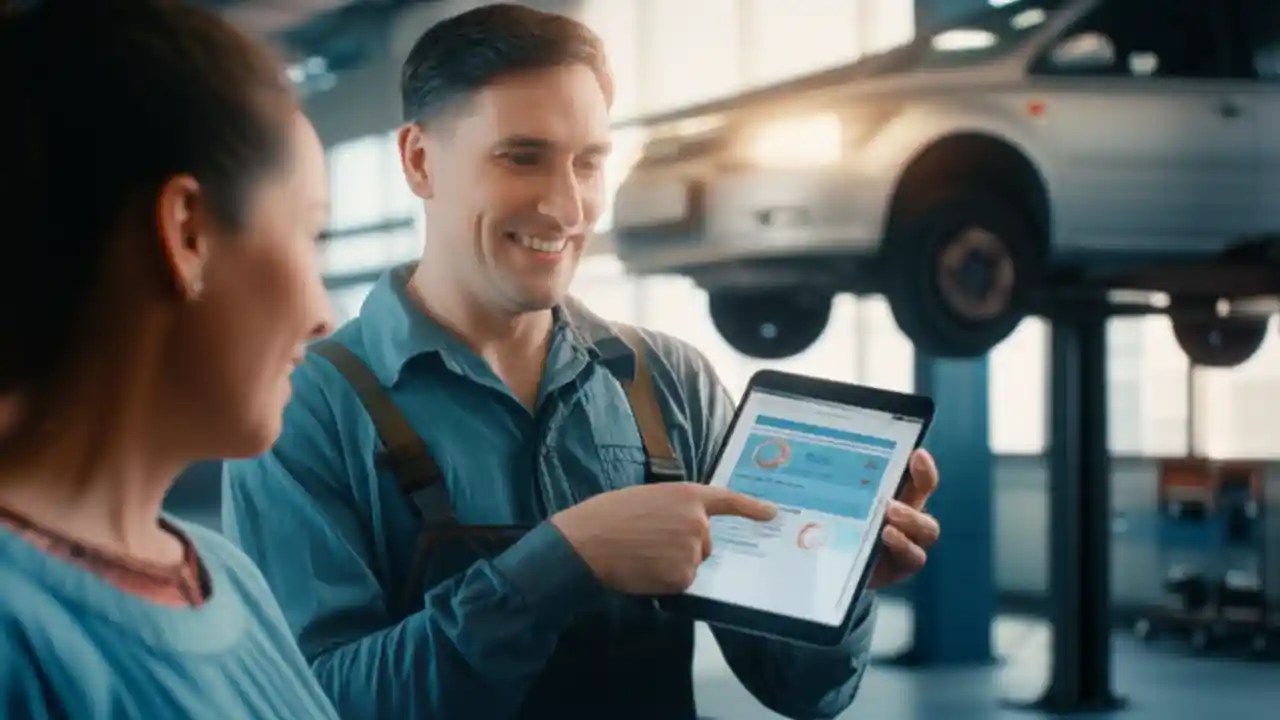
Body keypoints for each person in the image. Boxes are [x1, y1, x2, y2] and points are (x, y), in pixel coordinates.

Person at [223, 4, 943, 719]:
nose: (567, 207)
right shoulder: (305, 407)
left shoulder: (672, 385)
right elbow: (317, 703)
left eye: (589, 163)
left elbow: (801, 690)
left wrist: (839, 582)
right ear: (418, 160)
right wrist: (563, 562)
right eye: (521, 157)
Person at [0, 1, 340, 718]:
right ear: (187, 232)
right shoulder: (17, 638)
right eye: (309, 235)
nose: (323, 315)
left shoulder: (228, 576)